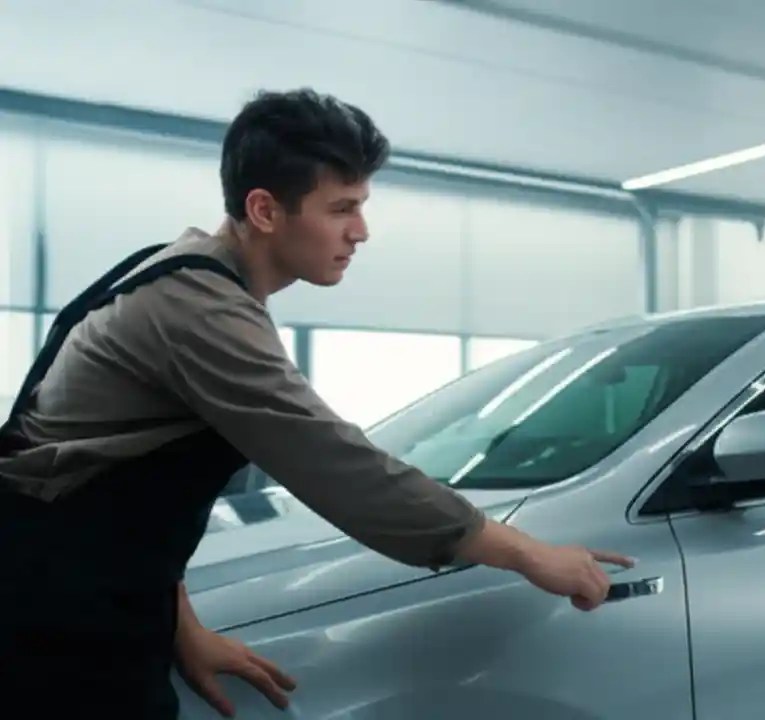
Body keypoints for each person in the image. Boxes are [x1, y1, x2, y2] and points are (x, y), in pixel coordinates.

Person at [0, 88, 632, 719]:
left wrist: (178, 625)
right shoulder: (198, 309)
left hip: (84, 597)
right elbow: (335, 462)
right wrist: (528, 552)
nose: (360, 231)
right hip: (45, 618)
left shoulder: (188, 276)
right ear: (265, 210)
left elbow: (123, 492)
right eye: (341, 209)